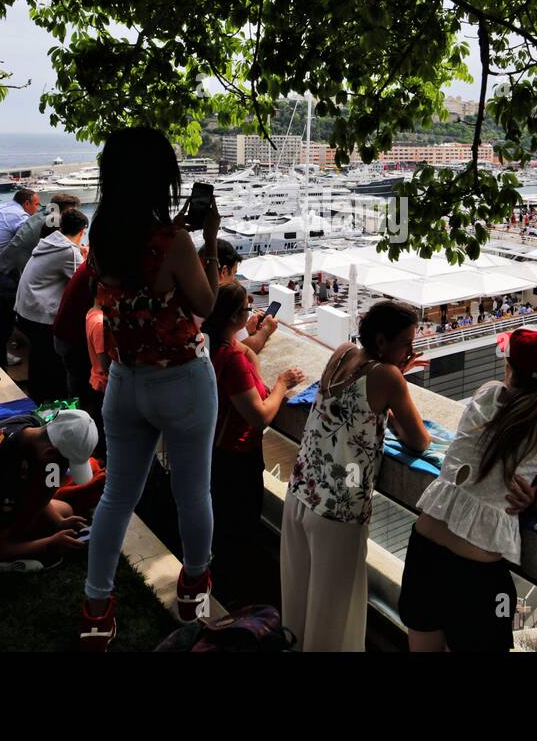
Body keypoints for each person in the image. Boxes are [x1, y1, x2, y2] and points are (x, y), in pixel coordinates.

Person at [78, 127, 221, 650]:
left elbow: (134, 275)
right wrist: (205, 242)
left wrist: (176, 237)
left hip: (124, 379)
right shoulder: (174, 241)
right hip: (181, 379)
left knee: (118, 494)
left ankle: (96, 608)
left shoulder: (99, 231)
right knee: (192, 492)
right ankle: (194, 586)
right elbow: (205, 305)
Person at [399, 329, 537, 651]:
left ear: (509, 367)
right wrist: (532, 496)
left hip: (424, 546)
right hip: (476, 574)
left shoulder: (486, 392)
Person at [281, 300, 432, 651]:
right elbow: (420, 440)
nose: (411, 350)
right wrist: (398, 381)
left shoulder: (342, 352)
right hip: (339, 511)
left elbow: (356, 405)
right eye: (406, 343)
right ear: (382, 341)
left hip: (301, 492)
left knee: (298, 609)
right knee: (333, 621)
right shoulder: (387, 376)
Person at [202, 282, 305, 607]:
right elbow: (260, 415)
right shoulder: (231, 358)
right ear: (234, 316)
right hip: (236, 457)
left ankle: (223, 591)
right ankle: (230, 598)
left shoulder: (212, 345)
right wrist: (282, 384)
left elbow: (247, 365)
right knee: (238, 530)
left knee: (226, 527)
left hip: (217, 453)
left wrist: (249, 344)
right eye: (246, 310)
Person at [0, 410, 97, 565]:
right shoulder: (8, 478)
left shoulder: (28, 425)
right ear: (49, 453)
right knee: (57, 511)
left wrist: (59, 522)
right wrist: (49, 544)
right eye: (64, 465)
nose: (59, 473)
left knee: (64, 511)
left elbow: (46, 489)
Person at [0, 192, 81, 368]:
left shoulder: (40, 217)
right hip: (10, 278)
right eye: (72, 213)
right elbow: (60, 256)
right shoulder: (53, 226)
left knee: (2, 327)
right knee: (27, 330)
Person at [15, 207, 88, 402]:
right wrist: (86, 258)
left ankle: (37, 394)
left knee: (38, 356)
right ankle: (50, 398)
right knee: (52, 359)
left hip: (25, 310)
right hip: (40, 315)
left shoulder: (49, 242)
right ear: (82, 231)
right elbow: (81, 284)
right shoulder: (68, 252)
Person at [197, 237, 277, 353]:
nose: (234, 280)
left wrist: (245, 329)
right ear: (224, 271)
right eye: (233, 274)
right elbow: (247, 348)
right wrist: (267, 329)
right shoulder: (223, 300)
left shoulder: (192, 293)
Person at [0, 188, 40, 281]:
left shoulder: (1, 207)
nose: (37, 209)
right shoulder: (20, 216)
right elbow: (34, 242)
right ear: (27, 204)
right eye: (37, 204)